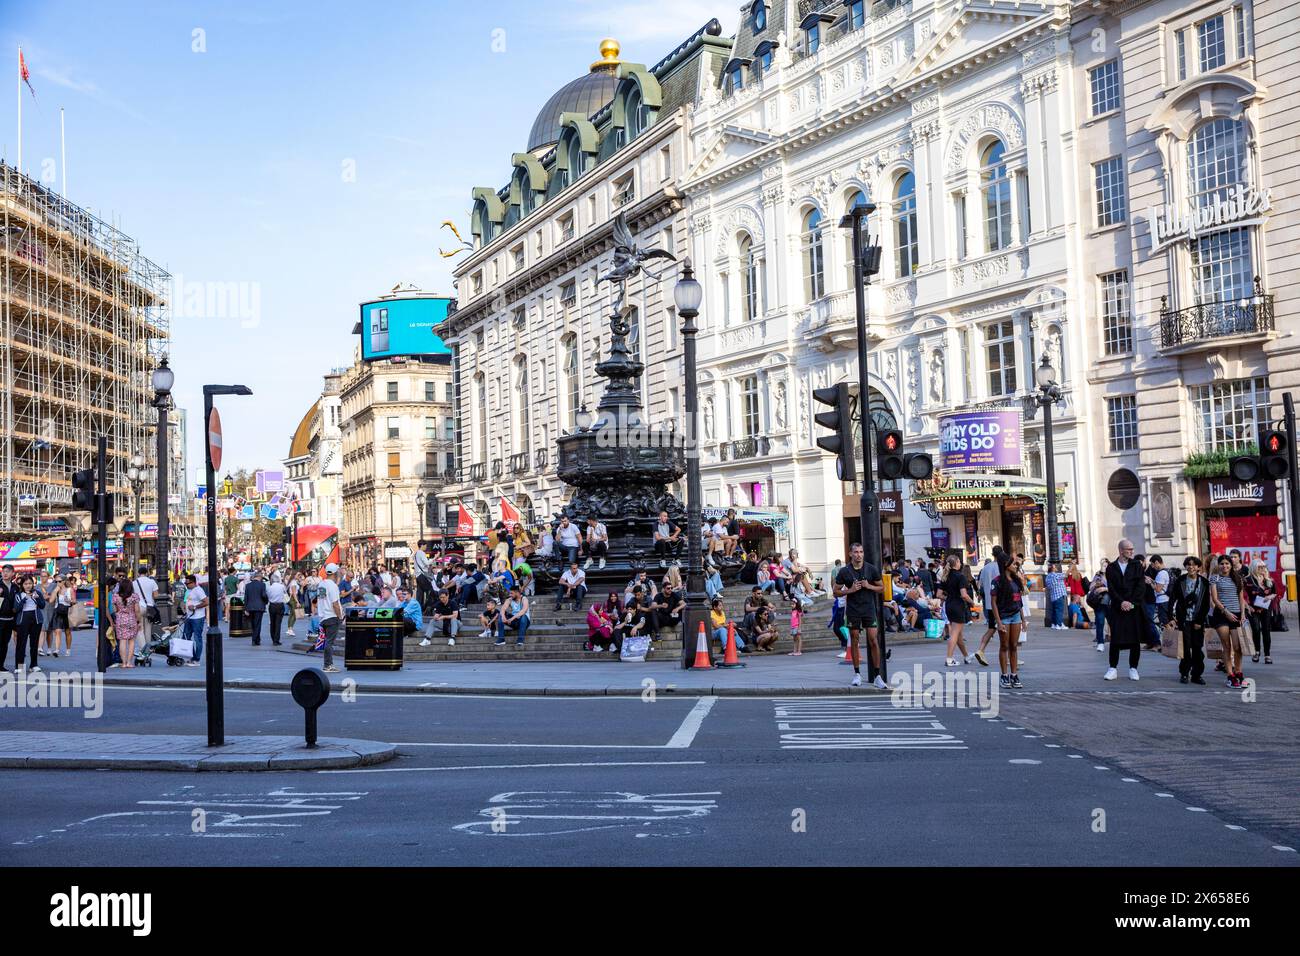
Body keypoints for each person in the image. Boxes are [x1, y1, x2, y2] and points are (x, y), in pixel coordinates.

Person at [834, 542, 887, 689]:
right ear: (850, 554)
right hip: (853, 610)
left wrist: (869, 586)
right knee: (855, 639)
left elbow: (882, 588)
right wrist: (850, 590)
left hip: (869, 608)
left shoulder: (871, 569)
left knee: (873, 640)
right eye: (856, 552)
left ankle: (877, 675)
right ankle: (857, 673)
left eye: (861, 552)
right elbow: (835, 591)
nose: (859, 555)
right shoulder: (844, 571)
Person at [1103, 539, 1147, 681]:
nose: (1132, 551)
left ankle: (1133, 668)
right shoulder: (1111, 568)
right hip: (1117, 608)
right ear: (1121, 550)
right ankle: (1112, 668)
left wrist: (1131, 603)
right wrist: (1121, 602)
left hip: (1133, 608)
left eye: (1132, 549)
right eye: (1129, 549)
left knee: (1135, 639)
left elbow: (1141, 586)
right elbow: (1112, 588)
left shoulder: (1137, 566)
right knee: (1115, 638)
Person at [1169, 556, 1211, 685]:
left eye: (1193, 565)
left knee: (1197, 649)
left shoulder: (1204, 582)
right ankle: (1184, 673)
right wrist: (1171, 617)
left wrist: (1200, 621)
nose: (1191, 567)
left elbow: (1206, 604)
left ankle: (1197, 675)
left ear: (1198, 567)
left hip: (1197, 620)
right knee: (1185, 648)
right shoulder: (1180, 581)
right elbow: (1172, 599)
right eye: (1188, 565)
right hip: (1184, 620)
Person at [992, 553, 1027, 688]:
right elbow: (993, 603)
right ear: (1006, 566)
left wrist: (1023, 620)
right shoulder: (997, 581)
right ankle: (1004, 675)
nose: (1015, 565)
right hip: (1004, 616)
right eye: (1013, 563)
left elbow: (1019, 602)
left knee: (1014, 646)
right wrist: (999, 622)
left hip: (1016, 616)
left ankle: (1014, 674)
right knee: (1004, 646)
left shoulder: (1016, 580)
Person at [937, 554, 977, 666]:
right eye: (959, 562)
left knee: (958, 634)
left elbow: (939, 594)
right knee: (954, 633)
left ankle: (966, 656)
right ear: (957, 563)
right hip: (958, 606)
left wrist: (948, 597)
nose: (960, 564)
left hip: (949, 605)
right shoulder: (960, 576)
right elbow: (964, 595)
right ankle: (949, 659)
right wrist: (972, 602)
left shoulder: (945, 577)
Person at [12, 575, 46, 672]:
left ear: (33, 584)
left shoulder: (37, 593)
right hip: (23, 621)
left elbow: (42, 605)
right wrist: (25, 599)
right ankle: (19, 666)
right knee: (21, 644)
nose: (28, 586)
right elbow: (16, 609)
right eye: (26, 584)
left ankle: (33, 665)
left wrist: (36, 598)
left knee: (34, 644)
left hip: (36, 621)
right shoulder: (18, 595)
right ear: (22, 585)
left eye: (30, 583)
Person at [1244, 560, 1275, 665]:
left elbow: (1275, 593)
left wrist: (1270, 596)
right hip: (1253, 609)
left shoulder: (1269, 580)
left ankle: (1267, 655)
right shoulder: (1247, 580)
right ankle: (1256, 652)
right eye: (1259, 567)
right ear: (1253, 568)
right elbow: (1242, 595)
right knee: (1256, 630)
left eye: (1263, 566)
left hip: (1266, 608)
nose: (1262, 568)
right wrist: (1247, 606)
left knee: (1266, 630)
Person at [109, 577, 141, 670]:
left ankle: (123, 663)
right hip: (132, 619)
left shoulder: (115, 596)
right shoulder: (134, 596)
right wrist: (139, 621)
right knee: (131, 642)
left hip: (120, 620)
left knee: (122, 641)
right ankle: (129, 662)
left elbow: (115, 610)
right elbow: (137, 610)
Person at [182, 573, 208, 667]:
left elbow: (206, 602)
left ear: (193, 583)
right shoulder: (190, 590)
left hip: (197, 617)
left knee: (197, 638)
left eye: (187, 583)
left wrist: (195, 607)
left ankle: (196, 659)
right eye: (185, 583)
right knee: (186, 637)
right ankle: (191, 656)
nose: (186, 585)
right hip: (189, 617)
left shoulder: (198, 590)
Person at [1087, 559, 1110, 651]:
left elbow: (1116, 587)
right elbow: (1090, 587)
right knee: (1100, 622)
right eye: (1102, 565)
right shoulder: (1098, 575)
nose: (1103, 567)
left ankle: (1117, 642)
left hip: (1111, 603)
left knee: (1113, 623)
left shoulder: (1113, 574)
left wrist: (1105, 588)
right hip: (1100, 602)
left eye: (1105, 565)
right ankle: (1100, 643)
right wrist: (1096, 585)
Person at [243, 571, 269, 645]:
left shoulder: (248, 585)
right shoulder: (262, 585)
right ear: (259, 577)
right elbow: (264, 595)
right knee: (257, 623)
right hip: (259, 607)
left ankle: (257, 639)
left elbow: (246, 598)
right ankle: (255, 639)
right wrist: (266, 601)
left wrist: (245, 608)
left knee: (253, 623)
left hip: (250, 607)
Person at [0, 564, 18, 672]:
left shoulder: (15, 587)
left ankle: (1, 665)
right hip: (0, 619)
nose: (5, 573)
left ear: (12, 573)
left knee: (4, 644)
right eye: (3, 571)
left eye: (8, 571)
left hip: (10, 620)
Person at [266, 573, 289, 645]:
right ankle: (276, 639)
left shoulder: (269, 587)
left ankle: (273, 638)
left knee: (272, 622)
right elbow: (285, 594)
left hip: (272, 605)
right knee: (278, 623)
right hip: (280, 605)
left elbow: (268, 596)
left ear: (271, 580)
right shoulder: (282, 586)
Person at [1044, 562, 1067, 630]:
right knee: (1059, 610)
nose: (1056, 567)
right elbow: (1066, 575)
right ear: (1052, 569)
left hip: (1053, 596)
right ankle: (1058, 624)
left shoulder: (1048, 576)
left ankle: (1054, 624)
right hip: (1059, 595)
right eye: (1054, 567)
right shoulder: (1055, 575)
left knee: (1054, 611)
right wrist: (1072, 566)